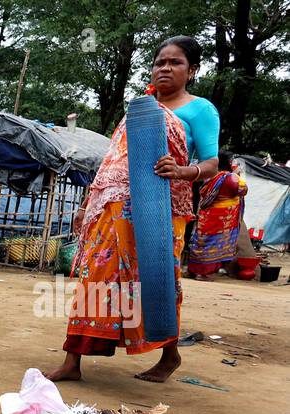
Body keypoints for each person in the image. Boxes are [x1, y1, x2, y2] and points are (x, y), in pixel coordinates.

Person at [46, 35, 220, 384]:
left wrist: (183, 171)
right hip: (111, 208)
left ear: (193, 70)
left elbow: (213, 162)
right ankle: (72, 361)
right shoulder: (139, 109)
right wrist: (86, 205)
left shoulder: (200, 109)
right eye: (160, 62)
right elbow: (113, 161)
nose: (165, 68)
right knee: (95, 277)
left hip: (159, 209)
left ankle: (169, 355)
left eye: (176, 63)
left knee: (157, 281)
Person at [186, 153, 248, 280]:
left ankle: (192, 271)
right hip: (221, 218)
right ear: (229, 162)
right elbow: (242, 190)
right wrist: (239, 176)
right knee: (213, 244)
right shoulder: (230, 177)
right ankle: (202, 273)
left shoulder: (208, 176)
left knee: (201, 243)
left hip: (206, 215)